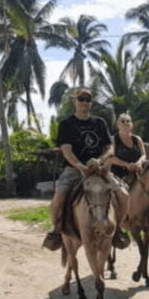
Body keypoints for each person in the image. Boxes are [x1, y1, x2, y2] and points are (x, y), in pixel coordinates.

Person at [42, 88, 130, 251]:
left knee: (124, 195)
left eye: (87, 99)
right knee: (59, 198)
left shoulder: (99, 123)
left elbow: (110, 148)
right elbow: (66, 150)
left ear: (91, 103)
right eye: (81, 99)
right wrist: (81, 167)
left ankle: (117, 229)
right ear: (74, 102)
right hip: (74, 170)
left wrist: (100, 160)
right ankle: (56, 231)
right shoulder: (66, 124)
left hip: (99, 170)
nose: (84, 102)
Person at [109, 113, 149, 232]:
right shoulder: (114, 140)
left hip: (138, 171)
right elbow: (111, 158)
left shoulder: (136, 139)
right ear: (118, 124)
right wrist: (127, 165)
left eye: (128, 121)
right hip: (119, 173)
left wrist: (138, 163)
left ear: (131, 124)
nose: (125, 123)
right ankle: (116, 223)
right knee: (115, 195)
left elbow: (143, 154)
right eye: (122, 121)